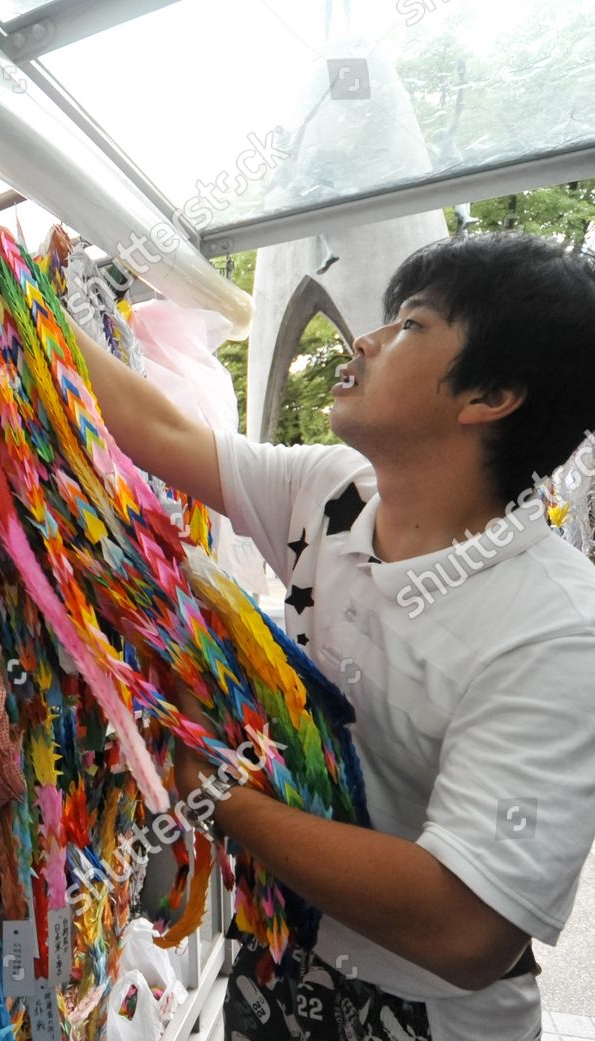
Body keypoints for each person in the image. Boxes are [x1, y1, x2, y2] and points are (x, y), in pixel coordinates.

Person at [71, 231, 595, 1040]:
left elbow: (463, 927)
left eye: (412, 325)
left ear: (489, 395)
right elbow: (159, 432)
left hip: (429, 1013)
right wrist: (8, 301)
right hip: (282, 952)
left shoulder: (555, 629)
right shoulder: (336, 493)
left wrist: (222, 798)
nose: (365, 339)